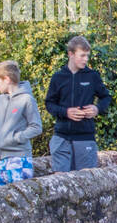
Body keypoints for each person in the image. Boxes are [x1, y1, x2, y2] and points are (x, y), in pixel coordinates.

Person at [44, 36, 111, 172]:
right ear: (71, 54)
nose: (86, 59)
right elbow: (49, 103)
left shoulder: (92, 76)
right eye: (82, 55)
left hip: (85, 138)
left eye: (87, 56)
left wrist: (97, 109)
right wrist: (65, 112)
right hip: (61, 137)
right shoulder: (58, 77)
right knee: (60, 181)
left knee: (86, 184)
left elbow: (106, 97)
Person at [0, 60, 43, 188]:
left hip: (18, 159)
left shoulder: (26, 99)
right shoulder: (0, 100)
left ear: (6, 79)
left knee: (18, 199)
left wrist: (15, 138)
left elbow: (36, 127)